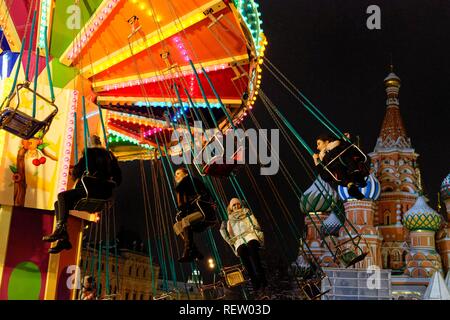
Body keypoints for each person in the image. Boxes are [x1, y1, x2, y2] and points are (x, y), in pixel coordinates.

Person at [42, 135, 122, 254]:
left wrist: (75, 172)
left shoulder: (89, 154)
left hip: (88, 191)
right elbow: (118, 179)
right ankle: (64, 239)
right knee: (59, 203)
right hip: (104, 195)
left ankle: (60, 229)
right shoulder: (110, 157)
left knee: (62, 196)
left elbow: (77, 172)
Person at [219, 198, 268, 294]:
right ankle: (254, 281)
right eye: (234, 205)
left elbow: (255, 224)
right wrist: (224, 231)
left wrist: (257, 233)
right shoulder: (229, 221)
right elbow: (230, 235)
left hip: (250, 236)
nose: (236, 206)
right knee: (243, 254)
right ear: (231, 208)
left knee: (253, 253)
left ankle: (262, 278)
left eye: (238, 204)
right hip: (239, 240)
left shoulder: (247, 214)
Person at [173, 167, 216, 263]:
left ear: (186, 174)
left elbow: (205, 194)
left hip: (203, 211)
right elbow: (182, 206)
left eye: (178, 173)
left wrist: (180, 186)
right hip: (193, 214)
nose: (176, 176)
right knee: (176, 226)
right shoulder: (181, 188)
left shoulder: (192, 181)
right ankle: (195, 251)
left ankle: (187, 250)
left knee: (185, 221)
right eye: (175, 174)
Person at [313, 133, 368, 199]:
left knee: (344, 157)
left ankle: (356, 177)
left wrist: (344, 140)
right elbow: (325, 177)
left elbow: (353, 150)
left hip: (352, 166)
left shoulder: (339, 144)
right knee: (336, 166)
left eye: (319, 143)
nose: (317, 147)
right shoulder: (323, 158)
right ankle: (352, 187)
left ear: (327, 141)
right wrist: (316, 162)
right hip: (342, 175)